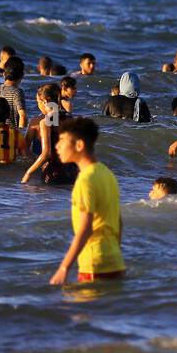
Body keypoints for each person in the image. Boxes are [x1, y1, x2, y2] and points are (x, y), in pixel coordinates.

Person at [50, 117, 124, 285]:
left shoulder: (85, 180)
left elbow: (85, 228)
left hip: (94, 263)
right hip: (115, 260)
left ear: (79, 145)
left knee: (84, 310)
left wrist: (64, 268)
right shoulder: (107, 173)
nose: (57, 146)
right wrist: (113, 253)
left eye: (62, 141)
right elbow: (119, 221)